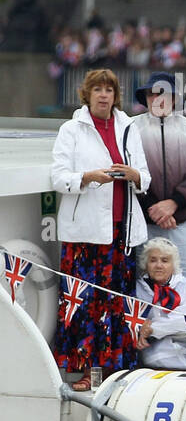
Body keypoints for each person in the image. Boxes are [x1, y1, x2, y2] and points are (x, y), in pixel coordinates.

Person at [50, 69, 152, 389]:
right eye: (98, 89)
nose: (104, 95)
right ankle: (86, 372)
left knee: (117, 303)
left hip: (121, 232)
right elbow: (59, 178)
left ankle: (116, 370)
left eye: (109, 89)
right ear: (87, 94)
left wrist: (133, 174)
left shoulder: (128, 126)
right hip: (85, 232)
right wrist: (88, 177)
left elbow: (146, 178)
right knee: (83, 303)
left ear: (115, 95)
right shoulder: (71, 129)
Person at [133, 71, 186, 281]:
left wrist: (173, 204)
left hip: (183, 222)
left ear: (174, 98)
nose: (157, 99)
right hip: (144, 223)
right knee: (144, 284)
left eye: (163, 94)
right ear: (146, 98)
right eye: (151, 94)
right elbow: (128, 174)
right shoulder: (130, 129)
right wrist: (155, 209)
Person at [132, 237, 186, 370]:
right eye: (153, 260)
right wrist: (138, 325)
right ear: (146, 264)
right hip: (156, 351)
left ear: (174, 265)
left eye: (165, 260)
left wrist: (152, 328)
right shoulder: (136, 289)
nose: (159, 265)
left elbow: (185, 320)